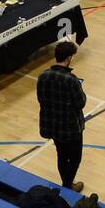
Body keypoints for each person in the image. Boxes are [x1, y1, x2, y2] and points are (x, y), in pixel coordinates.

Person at [37, 41, 87, 192]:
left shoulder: (43, 76)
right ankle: (67, 186)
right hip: (71, 127)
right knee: (75, 158)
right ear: (69, 57)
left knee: (61, 155)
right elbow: (81, 102)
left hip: (53, 124)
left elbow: (40, 98)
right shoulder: (71, 80)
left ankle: (67, 184)